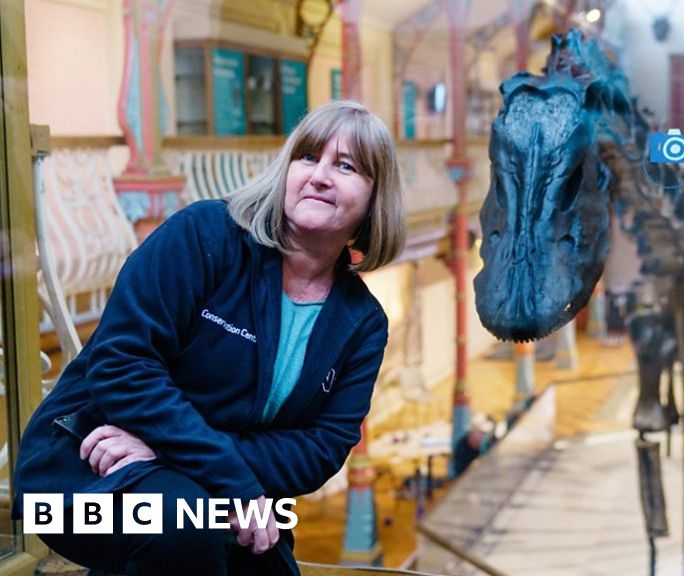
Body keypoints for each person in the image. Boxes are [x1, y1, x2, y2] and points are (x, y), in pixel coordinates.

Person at [13, 100, 405, 575]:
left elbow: (321, 448)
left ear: (374, 197)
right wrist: (231, 480)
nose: (320, 175)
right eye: (307, 157)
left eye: (344, 166)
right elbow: (122, 365)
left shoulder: (362, 322)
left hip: (206, 488)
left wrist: (173, 454)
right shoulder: (204, 235)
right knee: (184, 529)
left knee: (264, 566)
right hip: (76, 480)